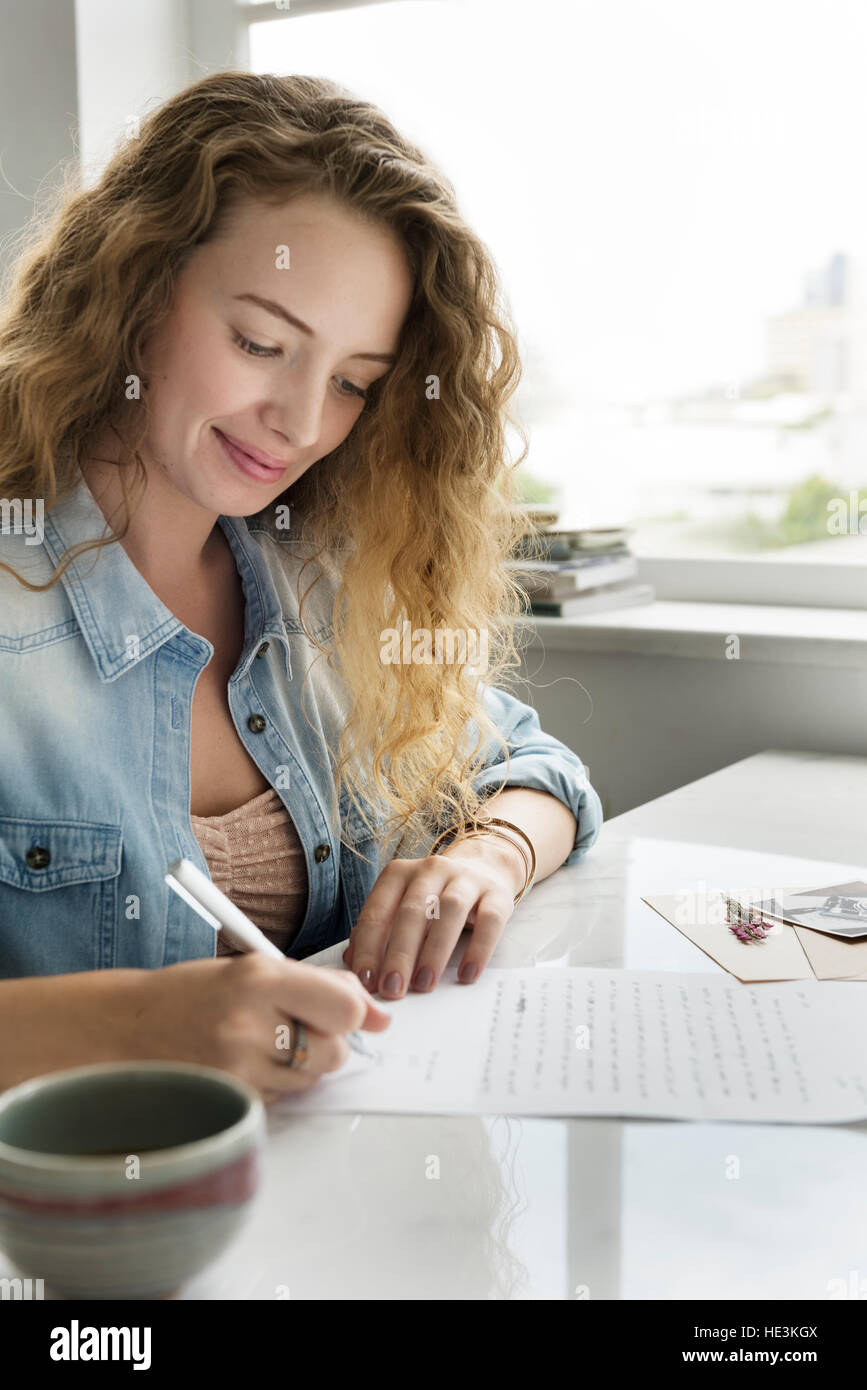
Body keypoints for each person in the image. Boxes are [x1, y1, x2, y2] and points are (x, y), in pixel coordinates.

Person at [0, 72, 602, 1102]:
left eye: (353, 381)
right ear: (137, 285)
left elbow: (536, 765)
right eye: (261, 343)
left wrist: (486, 858)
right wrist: (143, 1023)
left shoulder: (312, 581)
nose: (300, 420)